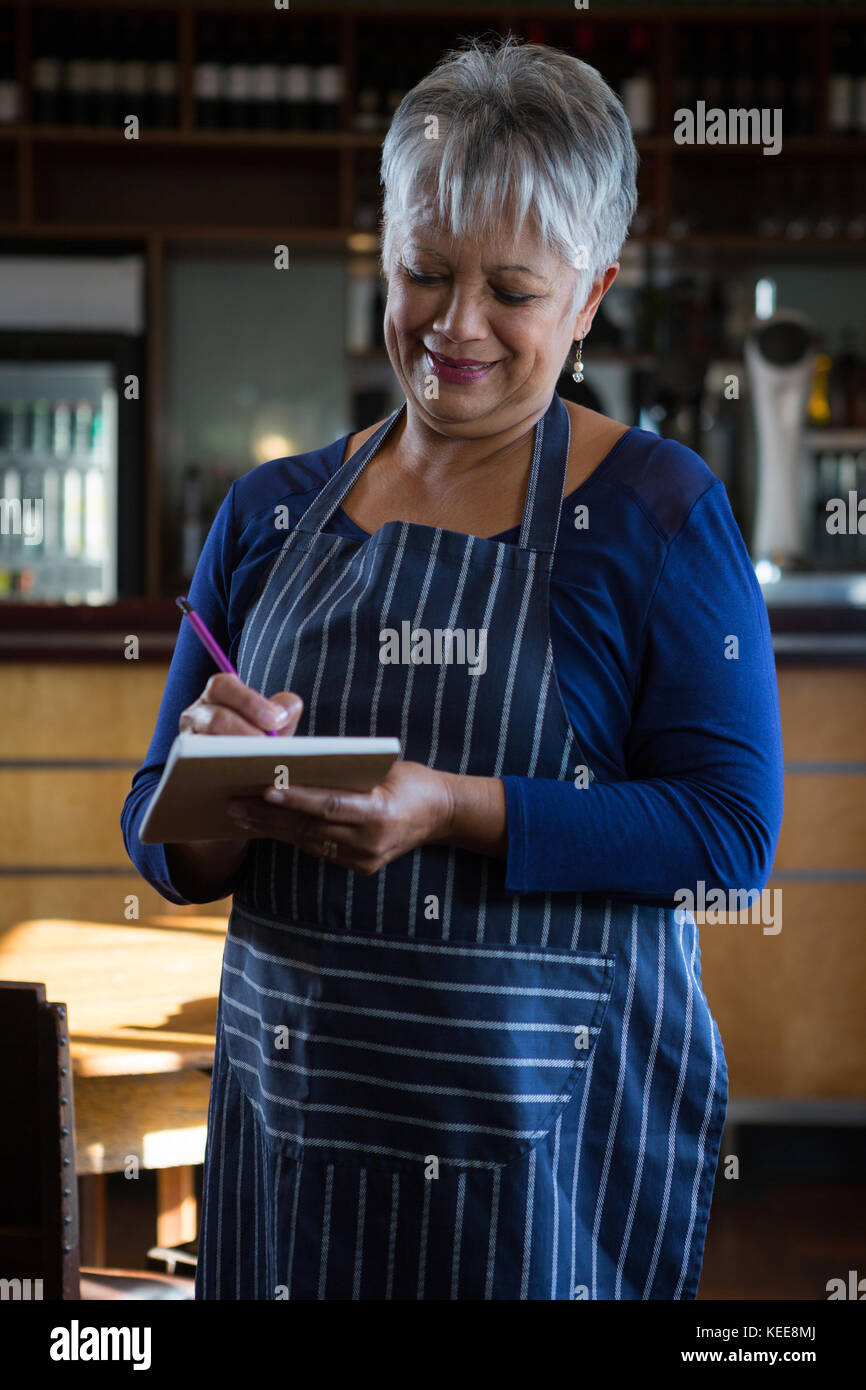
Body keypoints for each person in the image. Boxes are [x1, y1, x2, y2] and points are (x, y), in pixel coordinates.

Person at [122, 34, 783, 1300]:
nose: (453, 325)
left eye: (513, 292)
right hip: (293, 1145)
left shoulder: (653, 511)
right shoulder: (271, 512)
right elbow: (166, 843)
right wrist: (208, 780)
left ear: (589, 298)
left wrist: (452, 809)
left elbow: (727, 831)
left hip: (544, 1176)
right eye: (424, 271)